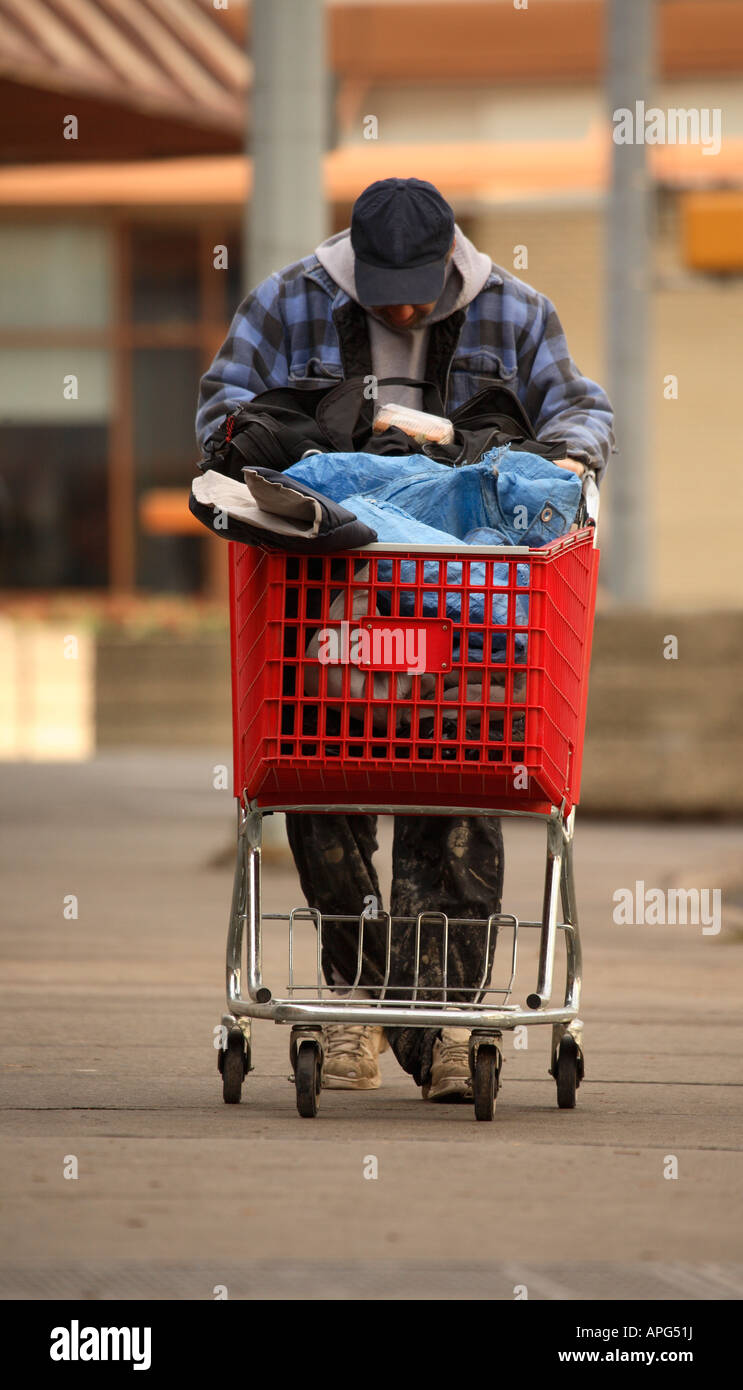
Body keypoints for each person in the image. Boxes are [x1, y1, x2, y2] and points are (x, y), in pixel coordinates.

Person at [195, 176, 614, 1101]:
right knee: (318, 781)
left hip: (460, 601)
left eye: (421, 286)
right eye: (387, 289)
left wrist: (554, 466)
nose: (407, 304)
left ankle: (449, 1029)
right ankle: (354, 1001)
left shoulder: (514, 310)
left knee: (458, 786)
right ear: (355, 271)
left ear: (449, 263)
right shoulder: (289, 301)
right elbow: (218, 413)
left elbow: (581, 412)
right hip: (327, 600)